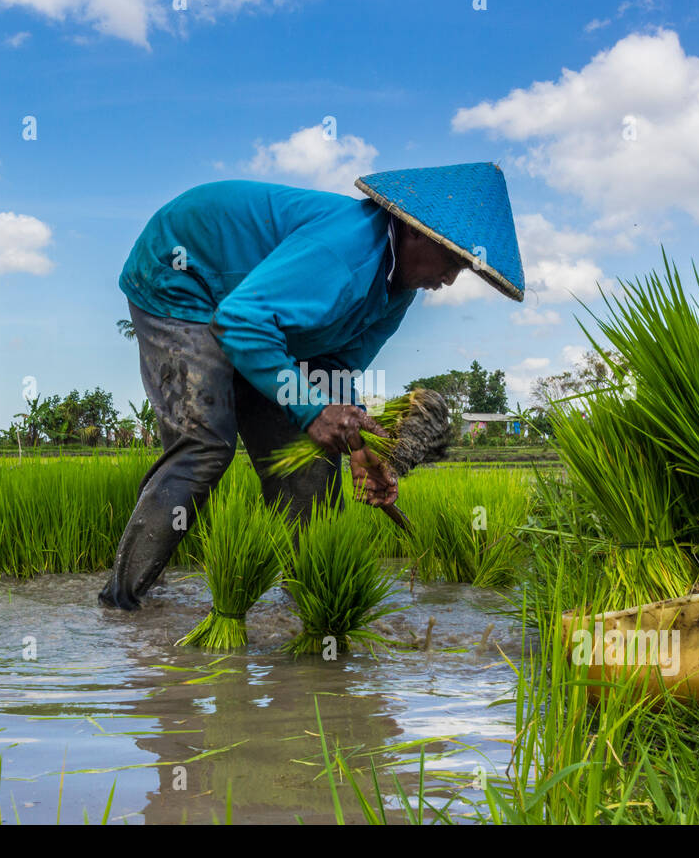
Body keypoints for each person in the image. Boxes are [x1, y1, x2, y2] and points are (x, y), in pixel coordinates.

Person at [99, 162, 525, 609]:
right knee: (205, 445)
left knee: (312, 460)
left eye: (463, 270)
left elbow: (333, 368)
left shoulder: (397, 291)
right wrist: (314, 411)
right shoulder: (343, 252)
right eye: (452, 261)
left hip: (253, 314)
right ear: (415, 231)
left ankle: (315, 613)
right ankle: (121, 606)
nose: (450, 279)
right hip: (182, 277)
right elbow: (239, 322)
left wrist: (359, 449)